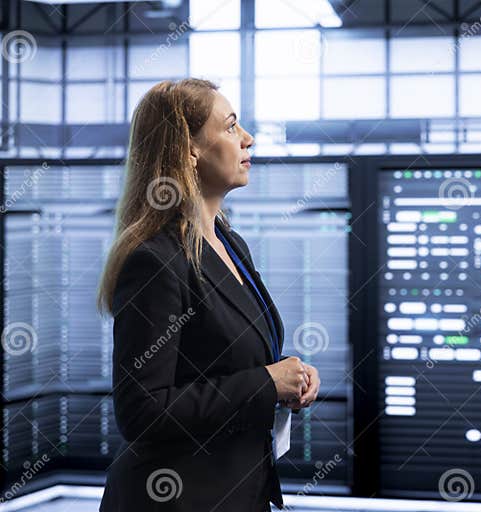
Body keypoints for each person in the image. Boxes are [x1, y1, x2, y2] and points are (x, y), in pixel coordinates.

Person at [96, 78, 320, 511]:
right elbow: (140, 411)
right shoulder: (155, 260)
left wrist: (288, 382)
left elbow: (227, 361)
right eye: (231, 126)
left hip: (237, 490)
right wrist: (265, 383)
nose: (248, 137)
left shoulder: (229, 242)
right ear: (189, 151)